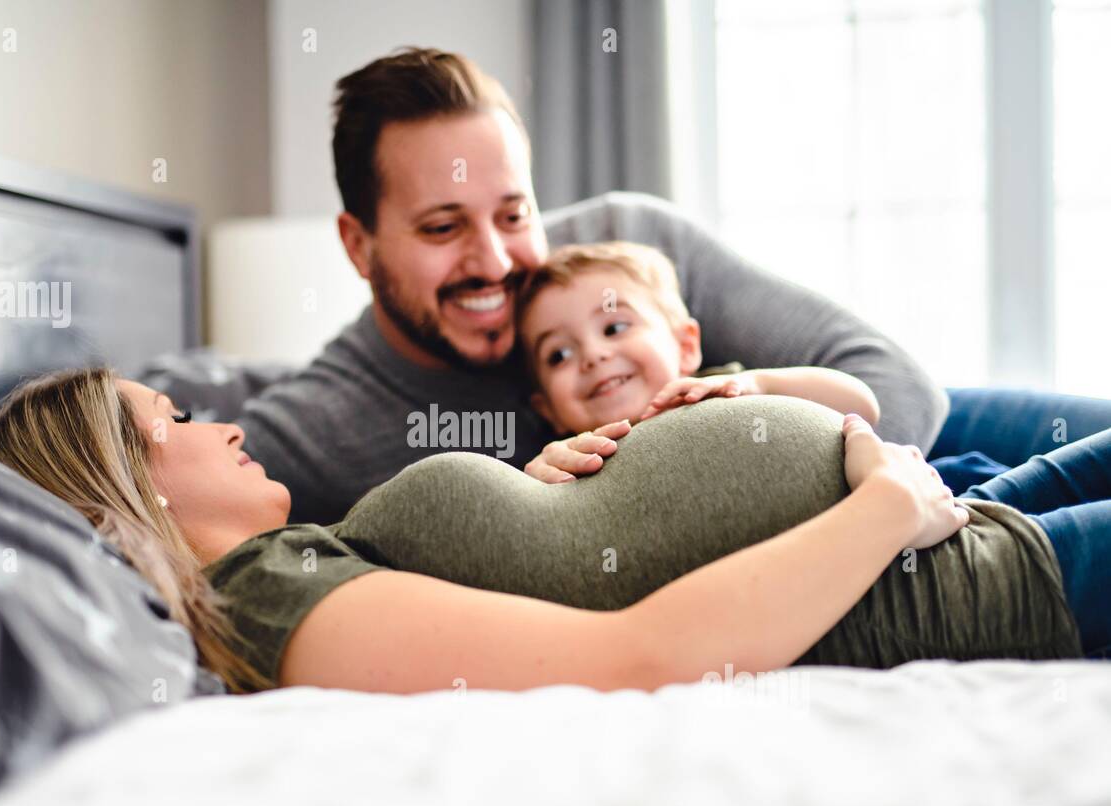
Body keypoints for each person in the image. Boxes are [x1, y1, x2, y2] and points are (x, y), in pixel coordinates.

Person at [0, 367, 1108, 698]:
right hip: (957, 576)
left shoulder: (300, 560)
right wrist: (882, 507)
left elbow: (544, 585)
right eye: (171, 419)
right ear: (125, 488)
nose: (218, 423)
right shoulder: (265, 602)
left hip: (958, 518)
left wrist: (535, 489)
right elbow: (638, 657)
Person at [205, 47, 949, 526]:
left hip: (897, 447)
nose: (495, 260)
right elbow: (149, 480)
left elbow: (899, 388)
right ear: (357, 245)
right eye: (442, 228)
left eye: (514, 213)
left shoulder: (632, 242)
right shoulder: (323, 429)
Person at [513, 240, 879, 459]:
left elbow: (863, 407)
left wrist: (762, 386)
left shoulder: (724, 391)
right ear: (547, 409)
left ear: (685, 345)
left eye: (614, 327)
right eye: (559, 355)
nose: (593, 355)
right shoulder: (567, 460)